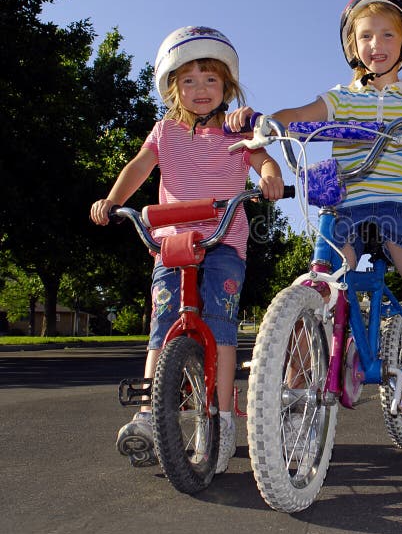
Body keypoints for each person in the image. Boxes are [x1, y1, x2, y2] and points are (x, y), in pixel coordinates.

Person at [227, 0, 402, 465]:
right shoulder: (339, 98)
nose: (377, 44)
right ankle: (294, 399)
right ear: (352, 46)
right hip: (345, 205)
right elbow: (298, 116)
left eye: (388, 34)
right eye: (366, 36)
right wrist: (267, 123)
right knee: (316, 287)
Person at [91, 26, 284, 473]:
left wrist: (270, 175)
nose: (201, 90)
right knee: (162, 327)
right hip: (173, 245)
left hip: (221, 244)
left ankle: (218, 418)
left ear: (228, 86)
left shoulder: (239, 130)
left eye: (211, 80)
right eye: (189, 80)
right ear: (173, 86)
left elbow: (263, 159)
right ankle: (147, 414)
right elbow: (139, 165)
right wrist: (114, 201)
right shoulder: (165, 131)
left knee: (219, 328)